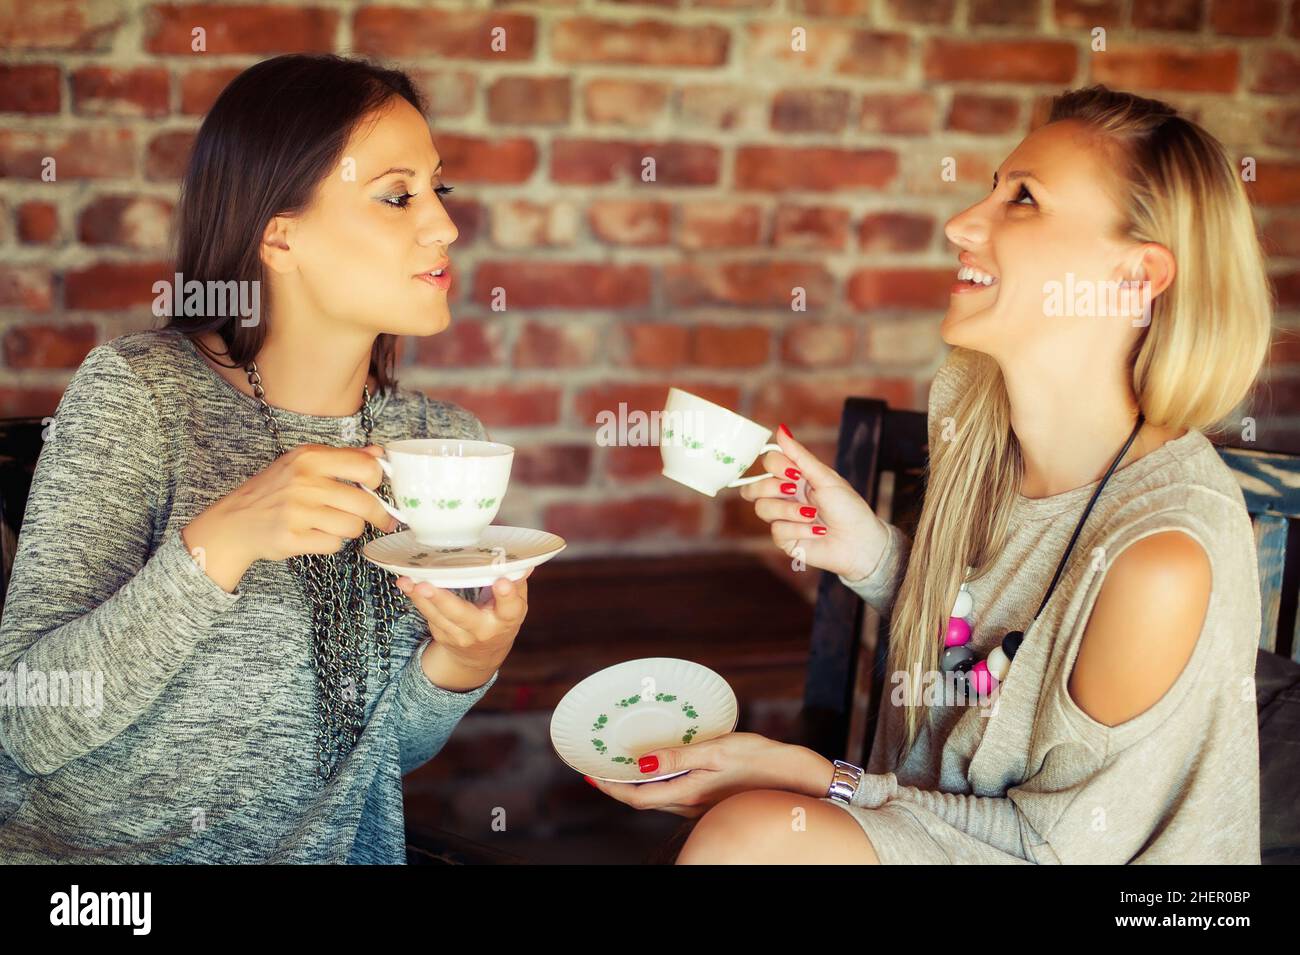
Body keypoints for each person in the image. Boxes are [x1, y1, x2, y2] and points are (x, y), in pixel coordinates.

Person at [586, 85, 1271, 864]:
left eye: (1023, 200)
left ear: (1137, 275)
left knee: (751, 835)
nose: (961, 224)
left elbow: (1052, 849)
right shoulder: (979, 422)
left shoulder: (1161, 556)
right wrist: (876, 556)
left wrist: (822, 780)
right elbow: (1000, 660)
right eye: (992, 186)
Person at [0, 54, 528, 863]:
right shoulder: (142, 394)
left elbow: (375, 755)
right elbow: (28, 722)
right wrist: (223, 542)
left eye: (438, 190)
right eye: (398, 196)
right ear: (280, 236)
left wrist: (464, 660)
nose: (444, 225)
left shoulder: (435, 444)